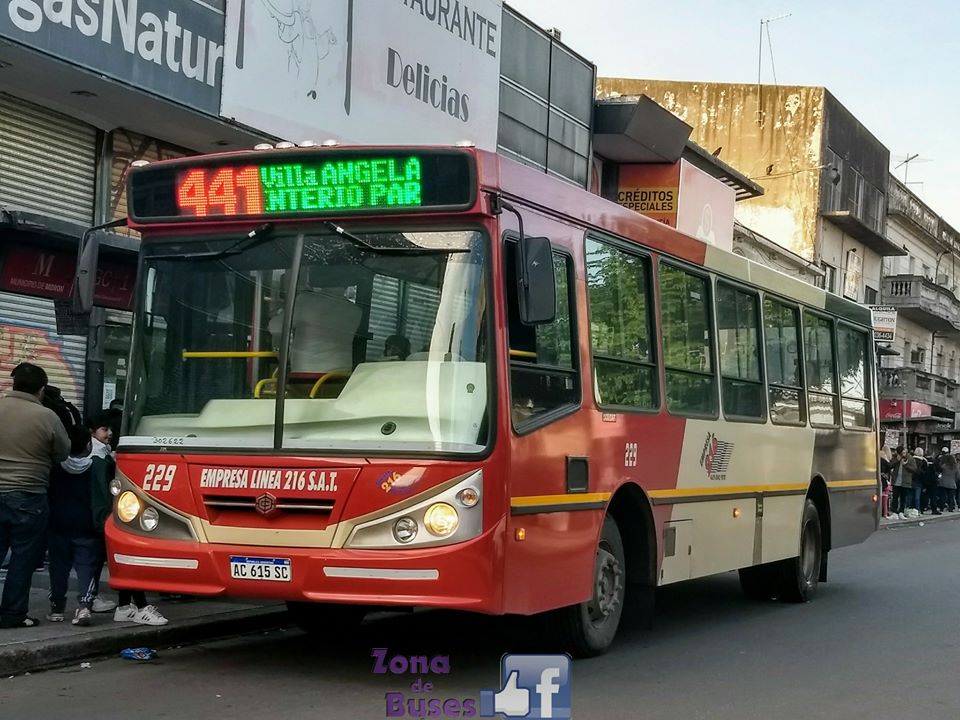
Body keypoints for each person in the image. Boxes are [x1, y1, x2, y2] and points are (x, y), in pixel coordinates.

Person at [0, 363, 70, 628]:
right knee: (23, 558)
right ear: (41, 390)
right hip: (29, 495)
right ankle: (12, 614)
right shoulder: (47, 417)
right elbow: (62, 453)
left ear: (13, 384)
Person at [46, 427, 113, 625]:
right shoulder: (98, 466)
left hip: (58, 524)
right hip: (87, 526)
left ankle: (57, 608)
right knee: (87, 567)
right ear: (87, 445)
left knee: (58, 568)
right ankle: (84, 606)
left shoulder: (55, 467)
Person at [890, 446, 917, 519]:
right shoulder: (896, 458)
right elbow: (890, 466)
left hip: (905, 481)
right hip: (896, 481)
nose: (903, 454)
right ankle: (894, 512)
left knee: (903, 497)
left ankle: (901, 512)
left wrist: (906, 465)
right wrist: (897, 460)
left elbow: (914, 469)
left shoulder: (910, 458)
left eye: (904, 452)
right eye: (901, 453)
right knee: (895, 497)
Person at [936, 448, 959, 514]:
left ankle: (942, 507)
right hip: (952, 483)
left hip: (943, 482)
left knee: (943, 496)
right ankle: (951, 508)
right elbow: (958, 476)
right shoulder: (955, 467)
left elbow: (939, 471)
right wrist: (955, 480)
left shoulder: (944, 466)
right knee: (951, 496)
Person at [879, 446, 892, 519]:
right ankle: (885, 513)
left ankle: (881, 512)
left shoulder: (879, 462)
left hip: (881, 483)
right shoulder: (887, 462)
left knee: (880, 499)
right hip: (886, 483)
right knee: (885, 499)